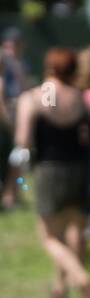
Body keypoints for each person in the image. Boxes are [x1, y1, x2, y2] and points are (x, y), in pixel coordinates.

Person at [13, 47, 90, 298]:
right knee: (74, 230)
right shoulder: (79, 98)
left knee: (50, 238)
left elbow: (23, 140)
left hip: (49, 170)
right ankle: (60, 290)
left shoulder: (33, 97)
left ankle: (84, 281)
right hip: (79, 167)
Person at [2, 27, 31, 210]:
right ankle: (9, 196)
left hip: (17, 112)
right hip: (6, 114)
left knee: (18, 159)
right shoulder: (3, 61)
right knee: (12, 159)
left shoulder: (22, 63)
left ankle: (14, 193)